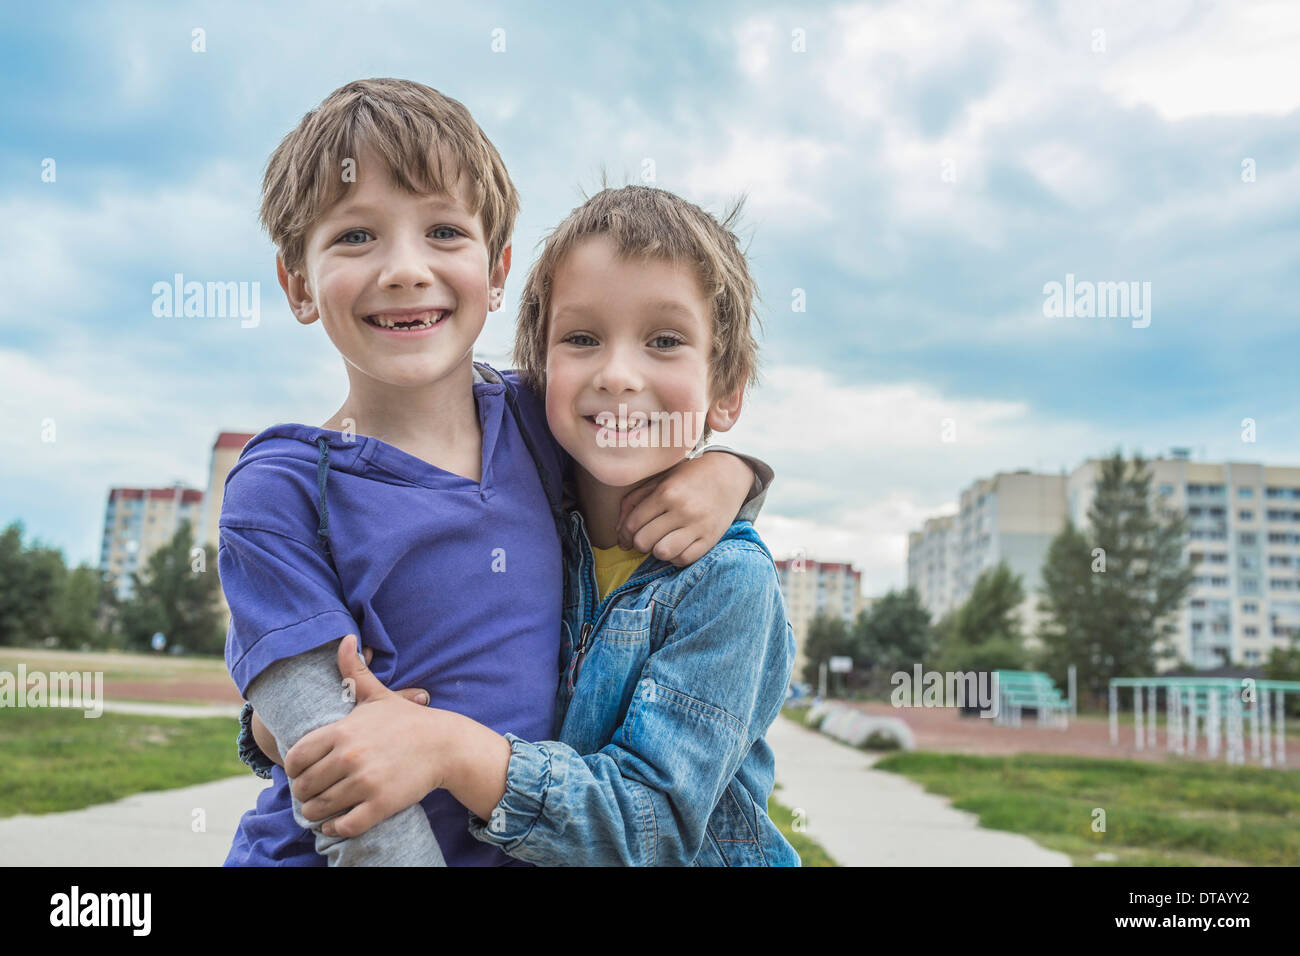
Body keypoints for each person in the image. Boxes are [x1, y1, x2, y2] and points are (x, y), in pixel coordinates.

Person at [223, 79, 770, 866]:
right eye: (355, 237)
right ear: (298, 284)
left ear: (497, 269)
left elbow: (642, 427)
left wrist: (729, 471)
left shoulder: (535, 424)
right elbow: (338, 785)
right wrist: (280, 723)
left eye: (443, 230)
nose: (405, 268)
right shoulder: (277, 491)